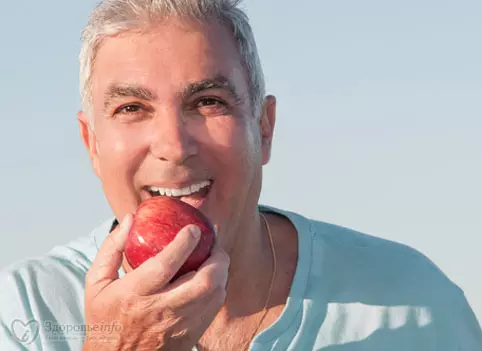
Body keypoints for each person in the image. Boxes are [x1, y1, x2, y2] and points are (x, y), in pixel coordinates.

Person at [1, 0, 481, 350]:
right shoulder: (24, 315)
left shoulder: (413, 302)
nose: (173, 145)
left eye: (208, 102)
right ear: (92, 144)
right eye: (132, 107)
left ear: (264, 128)